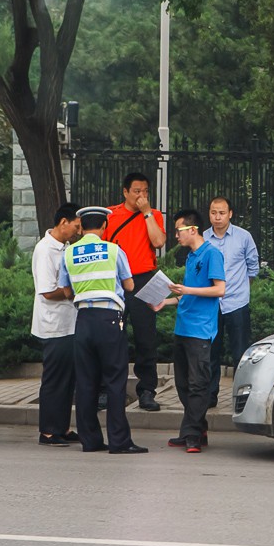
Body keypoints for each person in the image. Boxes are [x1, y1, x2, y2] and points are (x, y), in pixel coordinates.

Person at [58, 206, 148, 454]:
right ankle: (119, 441)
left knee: (86, 382)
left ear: (82, 226)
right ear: (104, 226)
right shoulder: (113, 250)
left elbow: (66, 291)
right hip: (109, 320)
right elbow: (129, 285)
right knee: (115, 381)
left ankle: (91, 441)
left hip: (83, 320)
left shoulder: (69, 253)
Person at [153, 210, 225, 453]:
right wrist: (168, 302)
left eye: (178, 230)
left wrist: (187, 290)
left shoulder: (212, 254)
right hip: (182, 327)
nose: (176, 236)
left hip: (200, 330)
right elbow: (187, 293)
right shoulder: (192, 257)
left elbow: (219, 290)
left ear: (192, 230)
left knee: (197, 384)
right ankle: (196, 429)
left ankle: (193, 435)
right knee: (182, 384)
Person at [105, 172, 167, 411]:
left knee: (146, 337)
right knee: (112, 337)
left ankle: (147, 390)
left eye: (145, 192)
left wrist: (147, 212)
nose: (142, 196)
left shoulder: (154, 215)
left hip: (144, 280)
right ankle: (109, 389)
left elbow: (159, 242)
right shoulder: (111, 215)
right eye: (137, 191)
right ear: (125, 192)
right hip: (117, 281)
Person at [31, 202, 82, 446]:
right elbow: (47, 292)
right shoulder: (45, 250)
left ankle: (62, 427)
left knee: (67, 379)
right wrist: (75, 292)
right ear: (63, 222)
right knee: (54, 379)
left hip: (68, 322)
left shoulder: (65, 248)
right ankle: (48, 431)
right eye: (76, 226)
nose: (78, 231)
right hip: (54, 325)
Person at [203, 196, 259, 406]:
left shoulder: (243, 237)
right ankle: (210, 397)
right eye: (213, 213)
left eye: (221, 213)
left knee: (241, 353)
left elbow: (253, 267)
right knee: (210, 352)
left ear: (230, 214)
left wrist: (241, 289)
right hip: (211, 304)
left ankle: (241, 398)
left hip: (237, 303)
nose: (217, 217)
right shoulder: (203, 238)